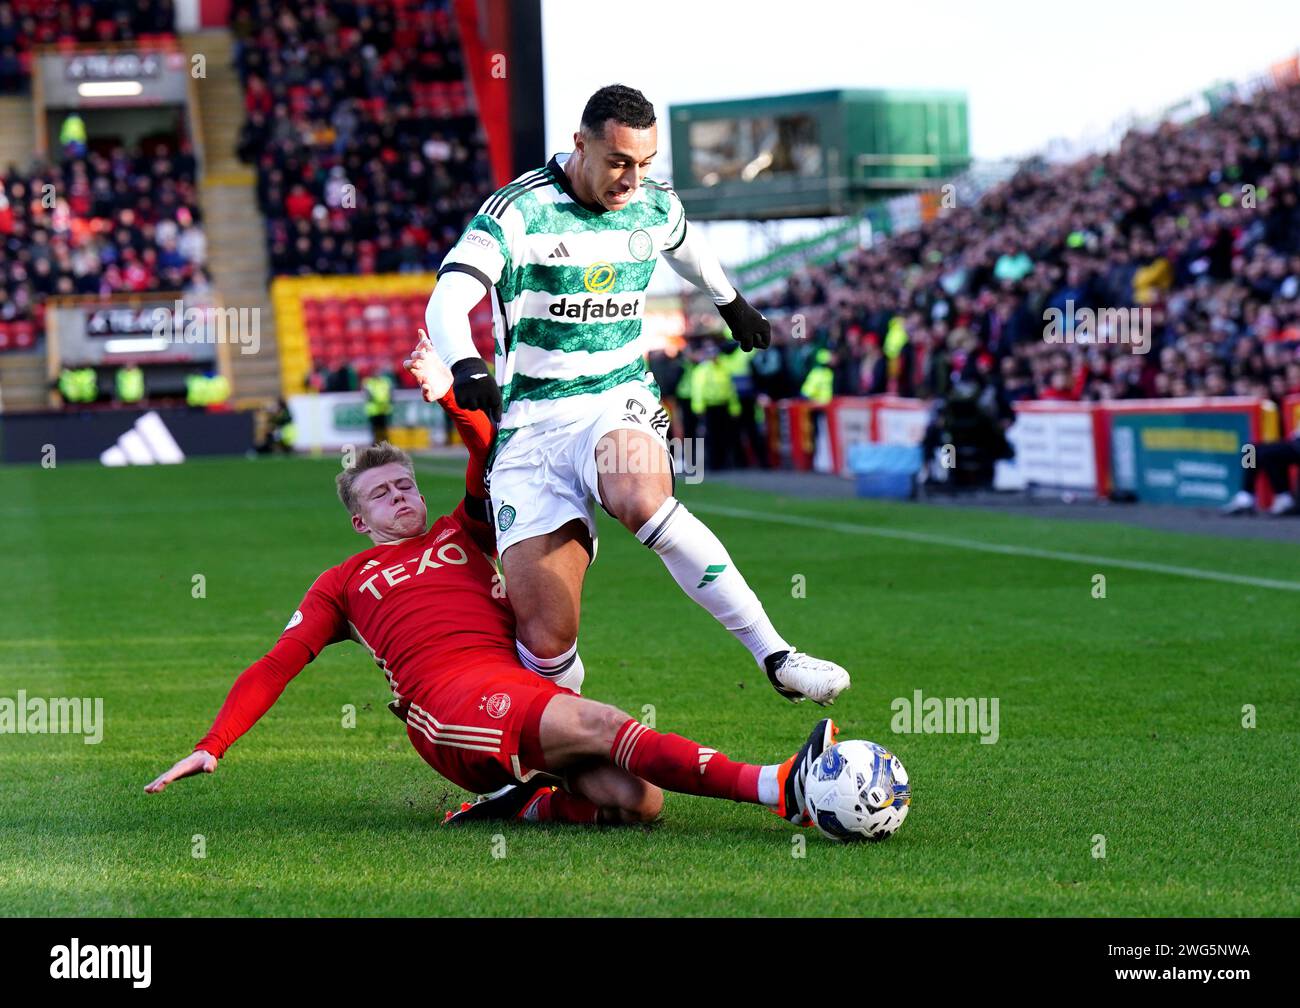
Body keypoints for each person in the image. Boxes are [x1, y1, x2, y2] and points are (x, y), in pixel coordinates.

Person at [144, 358, 836, 829]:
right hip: (447, 709)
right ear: (361, 522)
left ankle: (520, 804)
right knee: (604, 724)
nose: (400, 497)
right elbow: (277, 663)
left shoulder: (460, 531)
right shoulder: (344, 583)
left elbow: (489, 455)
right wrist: (216, 742)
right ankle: (780, 788)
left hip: (509, 685)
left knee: (637, 801)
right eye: (382, 495)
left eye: (405, 484)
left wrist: (449, 394)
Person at [416, 83, 849, 708]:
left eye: (645, 163)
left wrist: (730, 301)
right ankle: (555, 765)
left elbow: (685, 242)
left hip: (615, 398)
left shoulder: (651, 202)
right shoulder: (518, 211)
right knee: (546, 636)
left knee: (639, 498)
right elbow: (448, 297)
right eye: (618, 161)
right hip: (532, 426)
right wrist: (465, 364)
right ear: (580, 144)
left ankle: (776, 654)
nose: (631, 179)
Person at [1222, 431, 1300, 516]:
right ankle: (1245, 497)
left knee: (1269, 454)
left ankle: (1284, 498)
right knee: (1250, 450)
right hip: (1295, 442)